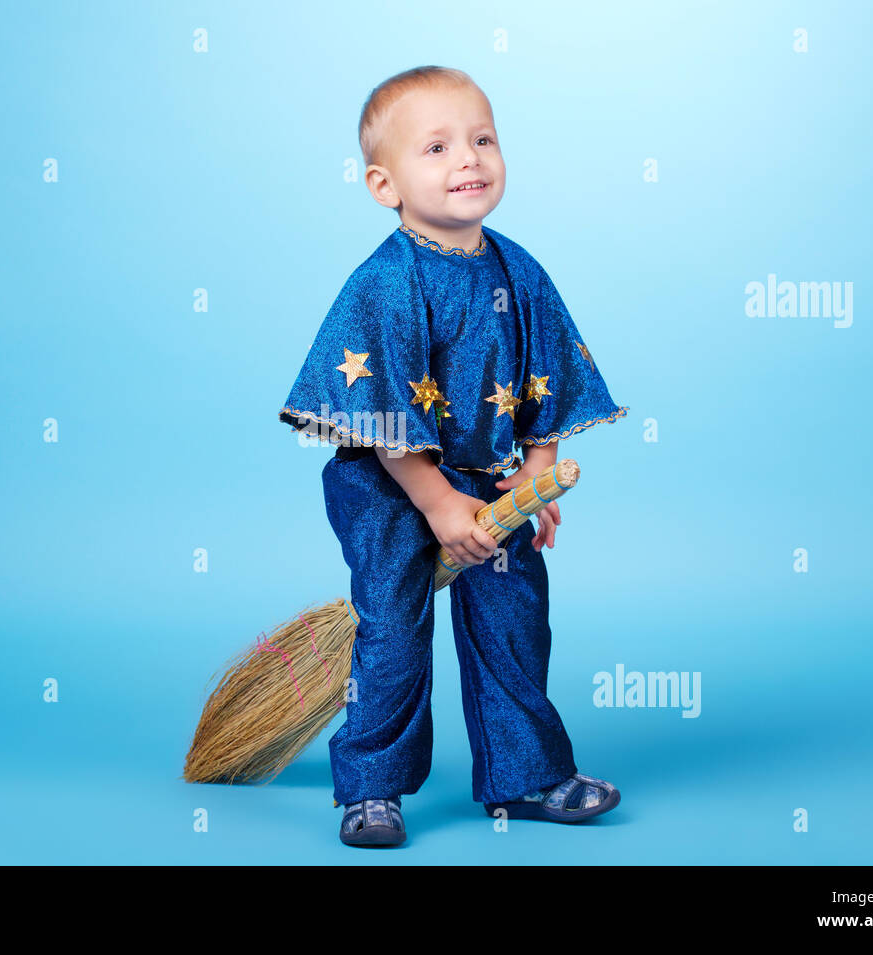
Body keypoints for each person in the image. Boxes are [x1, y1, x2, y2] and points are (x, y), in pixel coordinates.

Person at [278, 66, 627, 847]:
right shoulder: (387, 284)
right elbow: (381, 417)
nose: (467, 159)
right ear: (384, 183)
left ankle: (527, 772)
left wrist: (537, 473)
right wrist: (436, 504)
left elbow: (550, 374)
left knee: (513, 621)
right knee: (393, 632)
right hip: (390, 486)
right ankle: (371, 786)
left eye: (482, 139)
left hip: (488, 480)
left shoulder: (519, 270)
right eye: (436, 147)